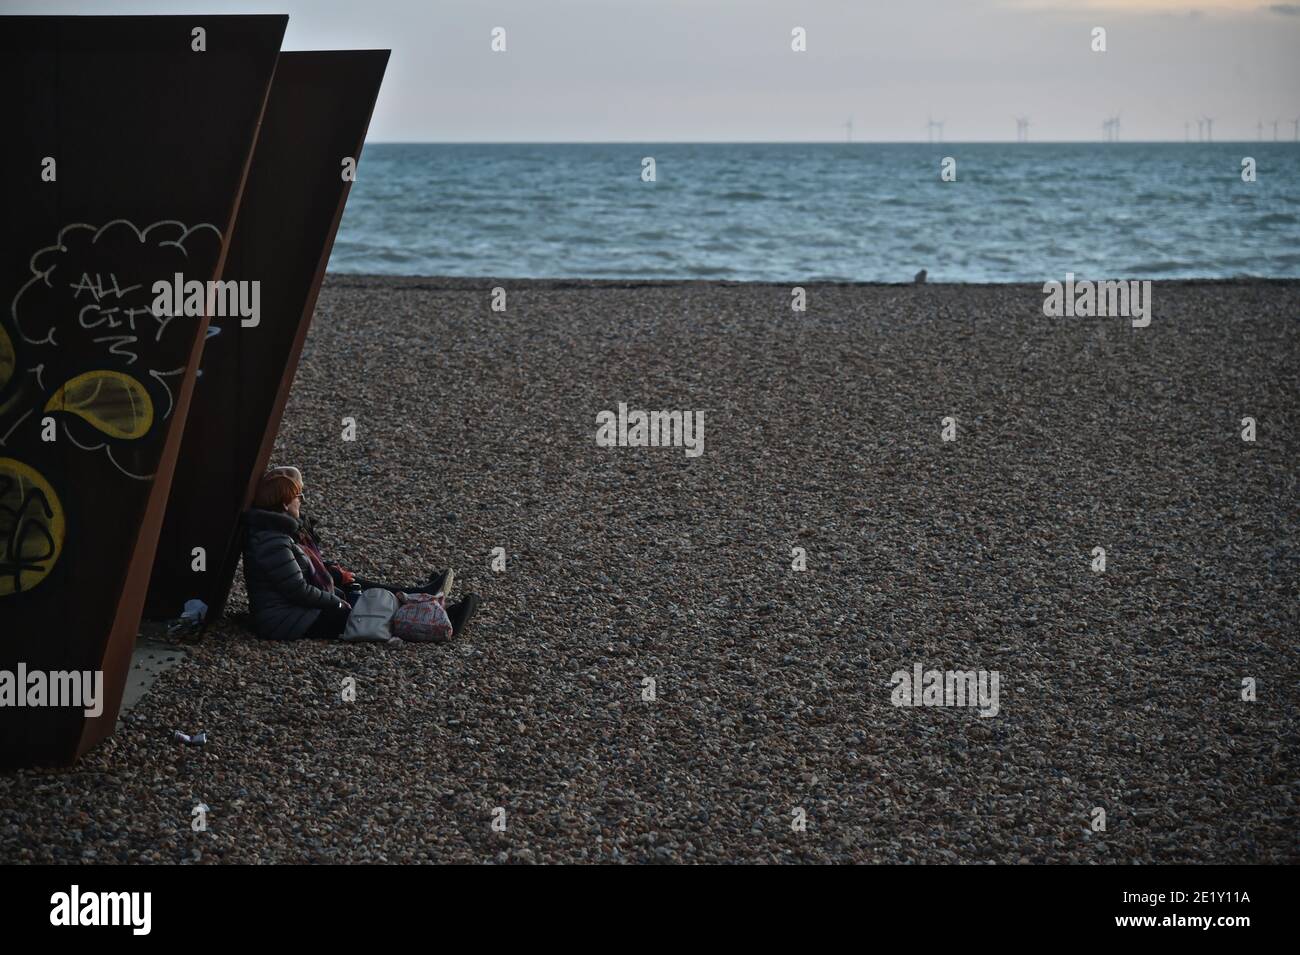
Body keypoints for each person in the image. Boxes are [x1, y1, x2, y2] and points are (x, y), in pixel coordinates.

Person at [242, 466, 480, 640]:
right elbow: (299, 591)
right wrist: (337, 602)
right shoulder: (273, 543)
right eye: (298, 498)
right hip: (288, 621)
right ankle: (443, 621)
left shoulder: (275, 535)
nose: (301, 503)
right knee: (369, 617)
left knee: (357, 595)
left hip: (296, 612)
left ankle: (426, 602)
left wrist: (335, 588)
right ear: (285, 504)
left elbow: (303, 578)